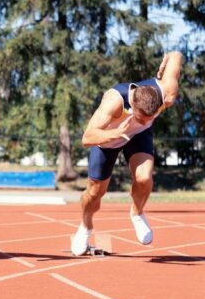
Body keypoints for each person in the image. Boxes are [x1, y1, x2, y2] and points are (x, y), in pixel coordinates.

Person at [71, 51, 183, 255]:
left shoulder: (167, 93)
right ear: (132, 105)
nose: (145, 121)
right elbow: (87, 138)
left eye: (150, 118)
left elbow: (176, 55)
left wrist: (167, 59)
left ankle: (137, 213)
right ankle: (85, 227)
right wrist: (114, 133)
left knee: (144, 177)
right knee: (94, 194)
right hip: (108, 138)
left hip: (138, 137)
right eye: (141, 118)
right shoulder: (114, 102)